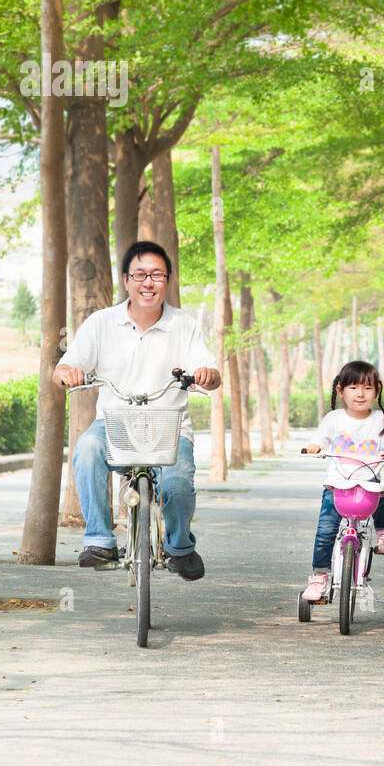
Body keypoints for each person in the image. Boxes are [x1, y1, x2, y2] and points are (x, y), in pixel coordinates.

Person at [54, 240, 221, 578]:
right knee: (86, 448)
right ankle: (100, 540)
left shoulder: (184, 324)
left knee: (176, 484)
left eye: (157, 275)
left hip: (169, 425)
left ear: (168, 281)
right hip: (115, 424)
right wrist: (67, 373)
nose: (148, 282)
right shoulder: (101, 323)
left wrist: (207, 374)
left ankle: (178, 547)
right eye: (140, 274)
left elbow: (211, 372)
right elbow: (64, 367)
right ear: (126, 280)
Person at [300, 360, 384, 603]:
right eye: (353, 387)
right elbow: (320, 438)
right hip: (337, 485)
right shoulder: (334, 419)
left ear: (377, 390)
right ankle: (319, 576)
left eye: (367, 387)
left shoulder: (379, 419)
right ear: (340, 390)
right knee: (325, 532)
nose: (360, 394)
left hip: (367, 481)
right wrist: (315, 446)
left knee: (379, 488)